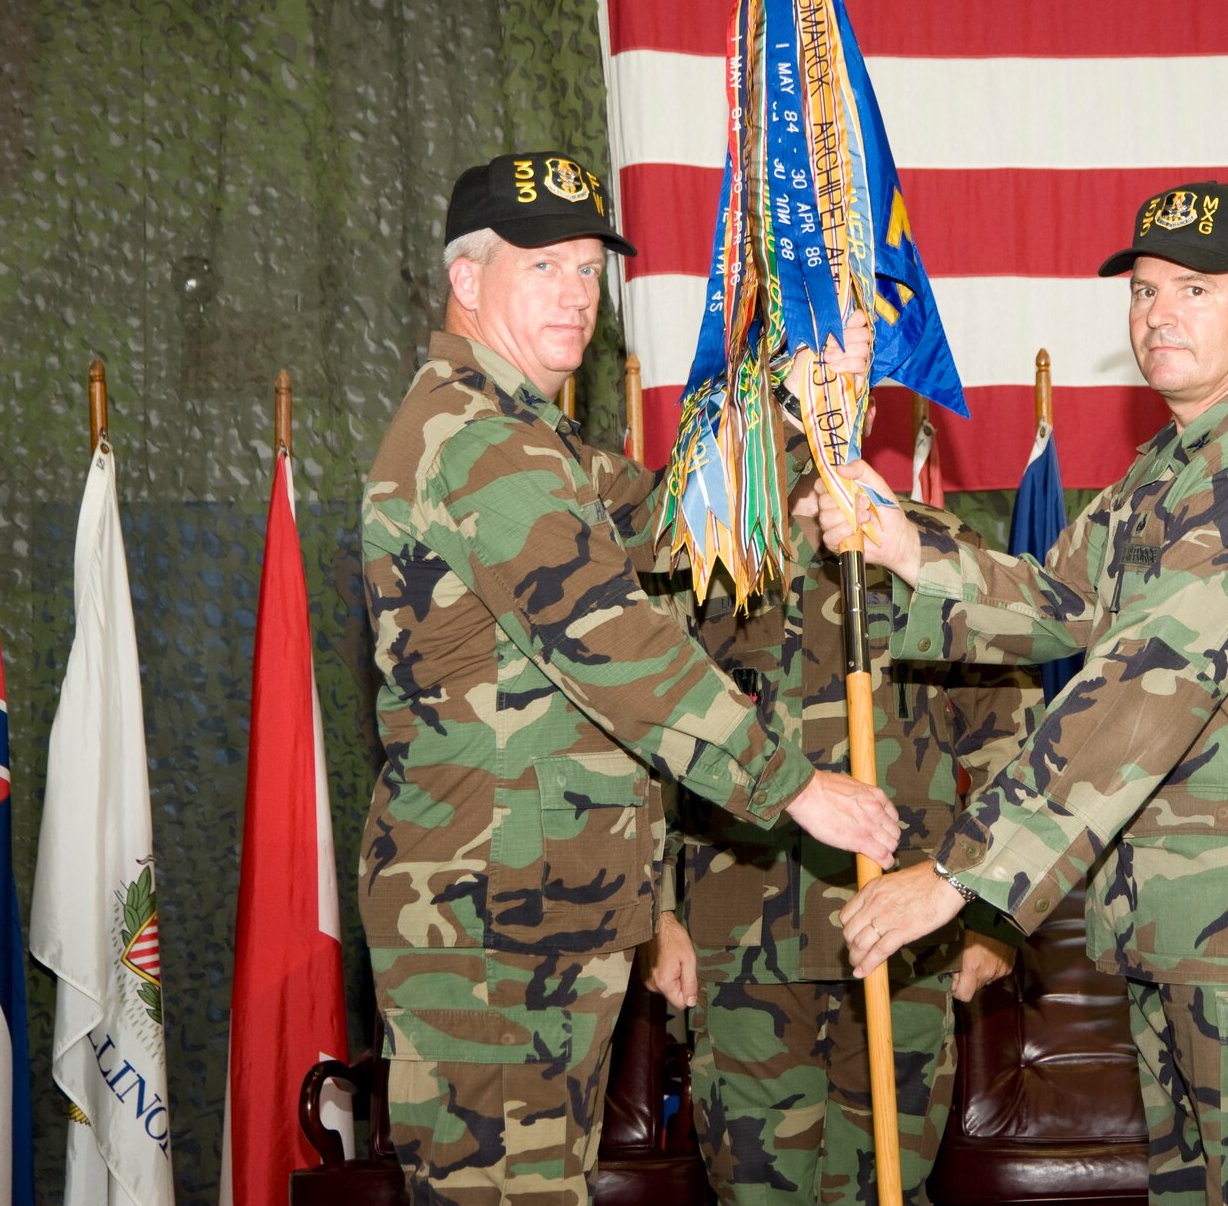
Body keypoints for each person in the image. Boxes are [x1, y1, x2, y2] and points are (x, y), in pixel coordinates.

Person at [816, 182, 1228, 1205]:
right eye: (1142, 289)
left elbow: (1140, 682)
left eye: (1194, 289)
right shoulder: (1169, 470)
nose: (1157, 313)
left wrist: (956, 875)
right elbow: (1060, 602)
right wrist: (907, 548)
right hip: (1182, 939)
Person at [359, 150, 900, 1206]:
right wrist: (793, 785)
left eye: (585, 268)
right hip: (488, 913)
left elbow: (672, 511)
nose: (575, 294)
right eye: (543, 266)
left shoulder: (527, 433)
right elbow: (616, 645)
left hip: (540, 897)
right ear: (466, 279)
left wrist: (800, 408)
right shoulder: (476, 441)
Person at [637, 438, 1037, 1205]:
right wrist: (656, 912)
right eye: (809, 348)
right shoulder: (709, 540)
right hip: (743, 940)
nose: (829, 373)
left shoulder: (930, 548)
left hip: (906, 937)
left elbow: (1008, 736)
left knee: (890, 1187)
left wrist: (997, 918)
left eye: (851, 352)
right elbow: (650, 731)